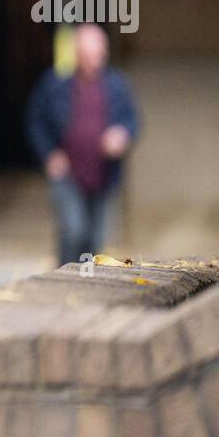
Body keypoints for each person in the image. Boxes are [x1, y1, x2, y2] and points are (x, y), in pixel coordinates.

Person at [25, 23, 140, 266]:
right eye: (89, 53)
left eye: (99, 52)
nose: (95, 58)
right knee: (74, 230)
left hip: (104, 174)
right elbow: (35, 120)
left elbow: (133, 120)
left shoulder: (117, 84)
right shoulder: (55, 84)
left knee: (97, 239)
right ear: (77, 53)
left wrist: (122, 135)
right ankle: (64, 280)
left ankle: (90, 288)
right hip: (68, 173)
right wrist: (49, 155)